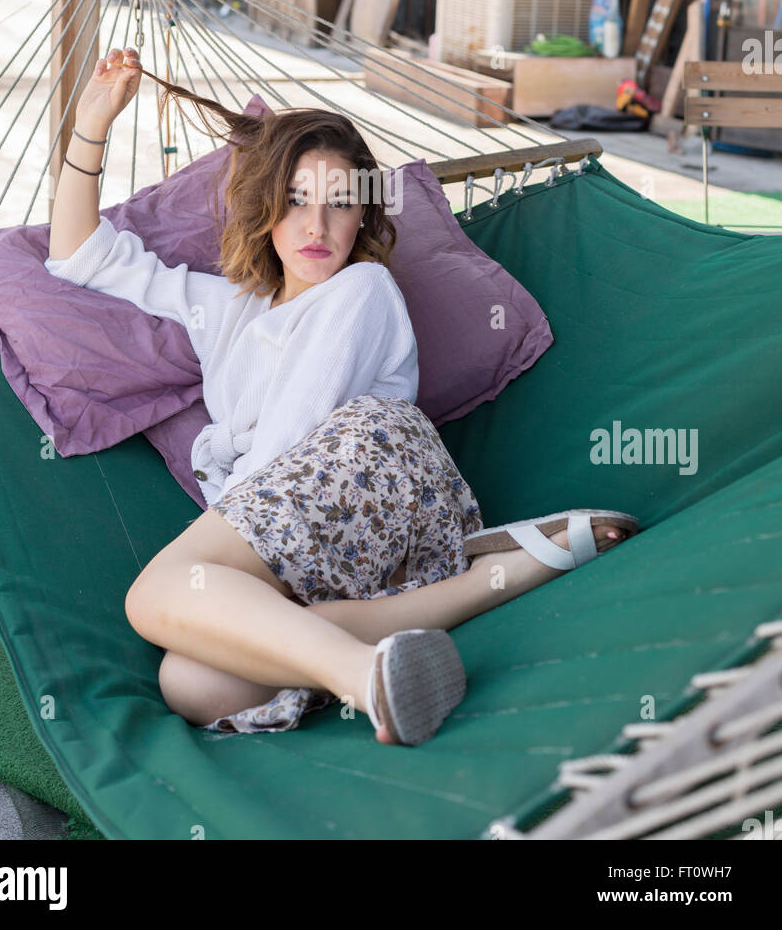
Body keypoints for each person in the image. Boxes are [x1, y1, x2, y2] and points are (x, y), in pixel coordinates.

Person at [44, 45, 637, 746]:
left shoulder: (362, 290)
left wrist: (226, 562)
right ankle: (493, 577)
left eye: (339, 205)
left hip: (375, 470)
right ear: (264, 209)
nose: (317, 227)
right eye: (295, 201)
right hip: (308, 521)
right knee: (194, 683)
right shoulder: (226, 308)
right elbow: (78, 253)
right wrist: (92, 123)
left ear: (364, 217)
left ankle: (363, 676)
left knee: (155, 593)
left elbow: (293, 435)